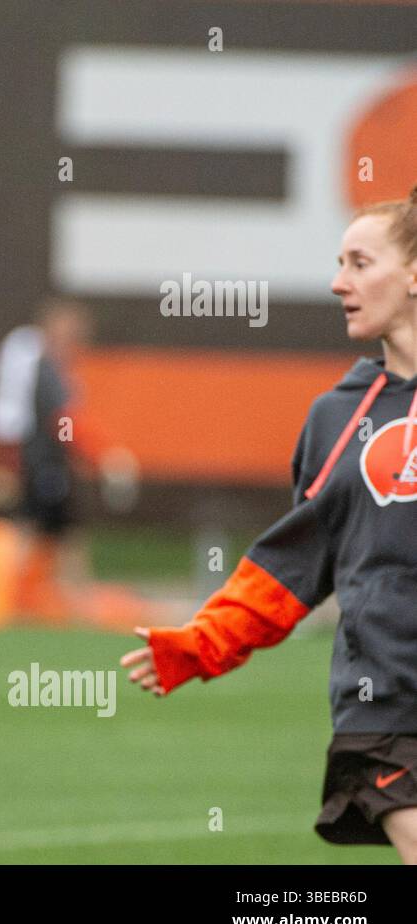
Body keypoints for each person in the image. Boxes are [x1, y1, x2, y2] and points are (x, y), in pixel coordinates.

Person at [121, 186, 417, 863]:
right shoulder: (336, 418)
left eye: (360, 262)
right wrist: (203, 642)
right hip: (388, 712)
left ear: (413, 274)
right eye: (339, 262)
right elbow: (292, 566)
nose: (339, 281)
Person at [0, 298, 138, 626]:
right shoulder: (44, 367)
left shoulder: (41, 365)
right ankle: (7, 602)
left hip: (46, 466)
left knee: (61, 534)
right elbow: (64, 419)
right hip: (44, 467)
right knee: (41, 532)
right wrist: (105, 456)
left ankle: (56, 604)